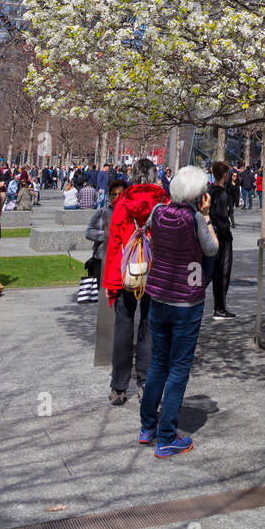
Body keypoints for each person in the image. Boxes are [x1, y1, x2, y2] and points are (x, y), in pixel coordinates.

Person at [139, 165, 219, 457]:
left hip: (158, 296)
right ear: (197, 195)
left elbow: (150, 234)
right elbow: (212, 248)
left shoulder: (158, 212)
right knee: (178, 367)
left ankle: (148, 425)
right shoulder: (195, 219)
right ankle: (166, 436)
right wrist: (207, 216)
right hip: (186, 300)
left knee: (159, 361)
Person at [102, 158, 169, 406]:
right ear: (152, 176)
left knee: (123, 327)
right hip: (154, 270)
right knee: (149, 328)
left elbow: (113, 244)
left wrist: (110, 281)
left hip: (125, 272)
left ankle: (118, 387)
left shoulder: (122, 203)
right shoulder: (163, 202)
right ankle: (145, 382)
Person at [85, 178, 128, 284]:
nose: (117, 197)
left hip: (124, 261)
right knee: (104, 296)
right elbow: (89, 232)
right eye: (114, 194)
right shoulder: (102, 212)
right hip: (103, 259)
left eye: (120, 194)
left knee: (122, 298)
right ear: (109, 195)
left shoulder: (130, 213)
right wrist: (107, 235)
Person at [207, 162, 235, 320]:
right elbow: (222, 217)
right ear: (225, 174)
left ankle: (219, 307)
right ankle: (220, 308)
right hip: (222, 238)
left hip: (211, 234)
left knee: (212, 271)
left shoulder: (210, 190)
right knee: (223, 273)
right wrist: (227, 234)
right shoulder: (222, 194)